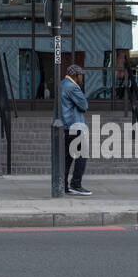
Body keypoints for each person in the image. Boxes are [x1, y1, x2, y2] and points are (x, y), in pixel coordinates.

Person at [60, 63, 91, 196]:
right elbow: (84, 105)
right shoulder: (73, 87)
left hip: (66, 126)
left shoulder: (62, 84)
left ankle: (64, 186)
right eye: (81, 75)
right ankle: (76, 184)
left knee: (67, 158)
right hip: (75, 126)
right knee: (82, 156)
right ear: (76, 75)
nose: (82, 78)